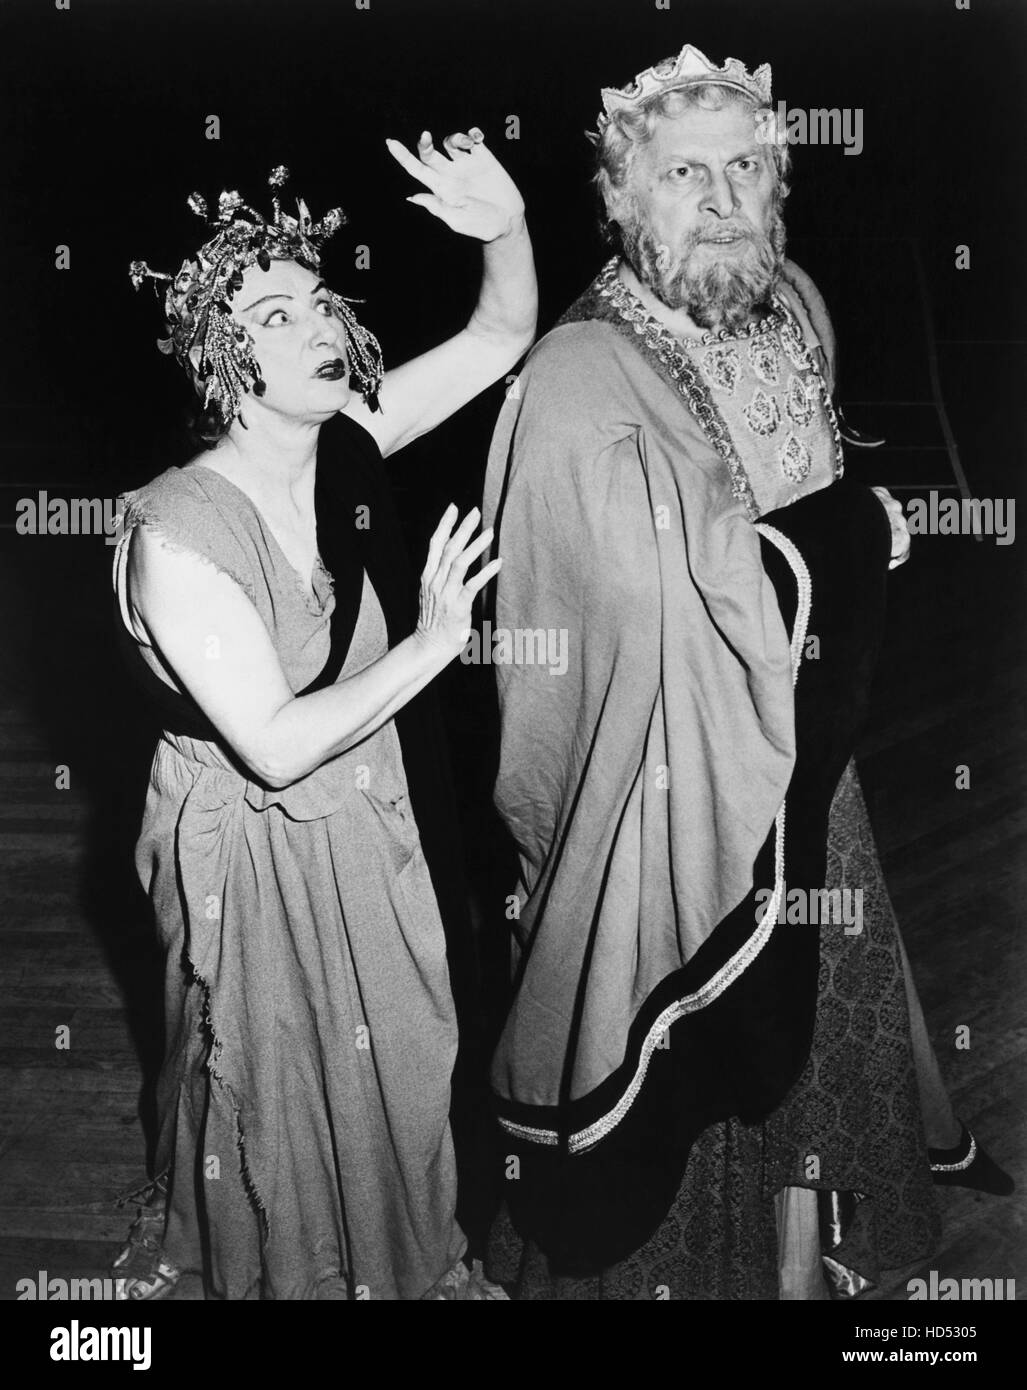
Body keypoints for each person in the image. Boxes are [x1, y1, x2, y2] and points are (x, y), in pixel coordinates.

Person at [481, 44, 1011, 1300]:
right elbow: (629, 618)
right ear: (617, 196)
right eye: (680, 175)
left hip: (799, 759)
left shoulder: (789, 307)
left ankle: (809, 1257)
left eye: (743, 170)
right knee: (717, 1052)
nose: (719, 200)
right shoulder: (572, 385)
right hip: (664, 813)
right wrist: (850, 538)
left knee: (821, 1024)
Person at [111, 133, 536, 1300]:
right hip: (249, 828)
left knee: (401, 1049)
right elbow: (276, 743)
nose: (314, 330)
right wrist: (432, 647)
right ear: (220, 362)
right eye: (272, 320)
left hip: (371, 800)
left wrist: (503, 228)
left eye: (315, 304)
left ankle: (407, 1255)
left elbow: (500, 339)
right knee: (276, 1074)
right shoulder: (176, 534)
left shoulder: (345, 441)